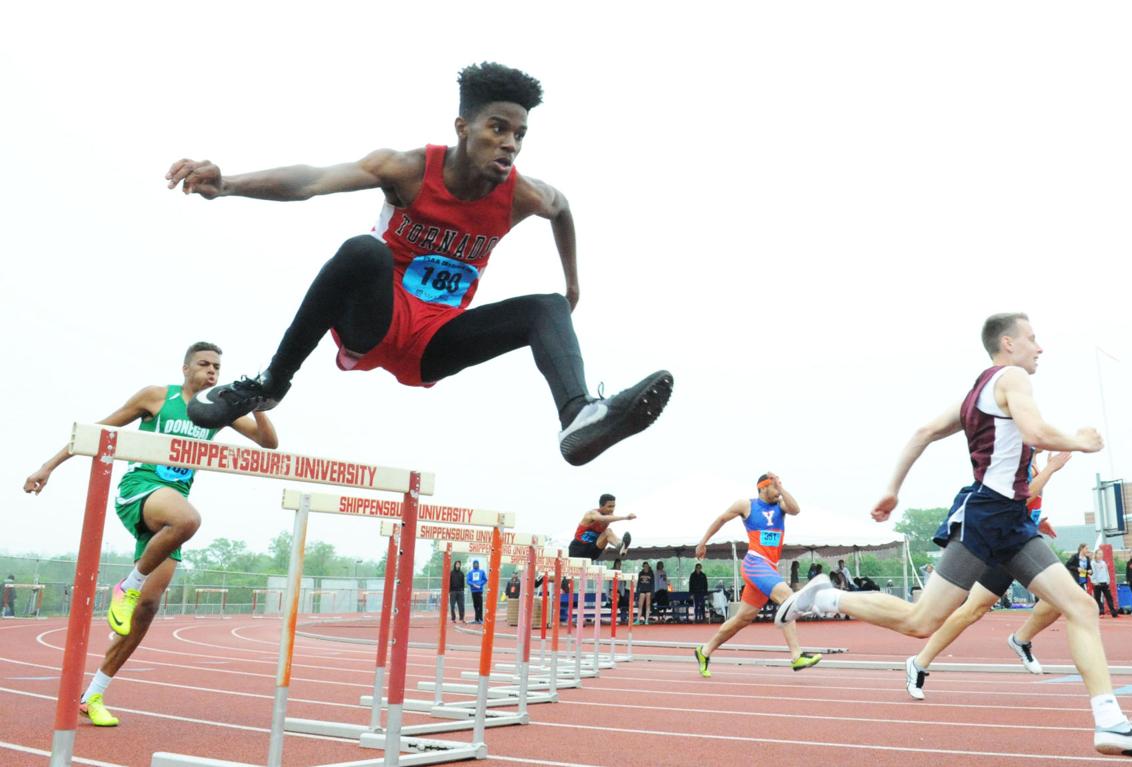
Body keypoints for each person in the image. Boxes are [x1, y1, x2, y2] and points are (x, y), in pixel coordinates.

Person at [166, 62, 672, 467]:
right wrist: (228, 183)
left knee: (546, 308)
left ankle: (579, 415)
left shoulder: (523, 194)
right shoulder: (406, 169)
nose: (510, 145)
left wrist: (573, 284)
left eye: (520, 134)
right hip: (375, 323)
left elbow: (563, 210)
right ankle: (270, 384)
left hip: (436, 343)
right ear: (463, 128)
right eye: (497, 129)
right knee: (365, 250)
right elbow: (312, 180)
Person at [776, 313, 1132, 759]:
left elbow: (923, 432)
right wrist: (1080, 440)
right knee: (921, 622)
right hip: (987, 517)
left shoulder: (975, 393)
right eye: (1032, 338)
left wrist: (892, 490)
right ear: (1008, 343)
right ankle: (826, 597)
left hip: (1012, 522)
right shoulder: (1012, 378)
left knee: (1080, 606)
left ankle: (1110, 723)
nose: (1039, 347)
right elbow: (1035, 432)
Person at [22, 342, 278, 728]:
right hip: (141, 490)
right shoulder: (157, 397)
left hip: (170, 509)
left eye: (217, 367)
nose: (212, 372)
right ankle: (128, 584)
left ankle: (93, 695)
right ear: (185, 368)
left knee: (146, 610)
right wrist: (48, 466)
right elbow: (100, 429)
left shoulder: (217, 410)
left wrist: (257, 403)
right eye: (204, 364)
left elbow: (268, 443)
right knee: (189, 521)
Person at [902, 449, 1072, 700]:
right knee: (973, 609)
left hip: (1021, 541)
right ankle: (919, 663)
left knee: (1064, 597)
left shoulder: (1031, 463)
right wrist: (1051, 469)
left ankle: (1021, 639)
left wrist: (1036, 522)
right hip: (999, 542)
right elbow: (1020, 498)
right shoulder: (1014, 459)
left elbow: (1023, 507)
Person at [693, 473, 822, 678]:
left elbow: (796, 510)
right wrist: (703, 542)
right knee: (788, 597)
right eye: (774, 486)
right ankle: (797, 655)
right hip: (755, 563)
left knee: (742, 619)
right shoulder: (747, 505)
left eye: (779, 486)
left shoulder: (781, 505)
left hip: (769, 568)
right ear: (763, 488)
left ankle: (704, 650)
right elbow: (721, 519)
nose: (778, 490)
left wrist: (782, 488)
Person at [569, 494, 635, 561]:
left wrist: (621, 541)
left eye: (613, 506)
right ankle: (620, 545)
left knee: (608, 532)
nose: (612, 509)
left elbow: (610, 535)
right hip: (578, 548)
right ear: (601, 506)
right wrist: (625, 517)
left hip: (593, 548)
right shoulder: (591, 513)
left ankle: (620, 546)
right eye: (609, 506)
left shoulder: (610, 516)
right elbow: (602, 519)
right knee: (607, 531)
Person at [1092, 550, 1119, 618]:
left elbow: (1106, 572)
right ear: (1096, 554)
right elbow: (1092, 573)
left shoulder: (1103, 563)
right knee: (1097, 598)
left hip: (1104, 582)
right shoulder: (1093, 563)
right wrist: (1094, 581)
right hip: (1097, 583)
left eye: (1102, 554)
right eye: (1099, 554)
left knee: (1109, 597)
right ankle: (1101, 612)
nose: (1101, 555)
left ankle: (1113, 612)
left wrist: (1108, 580)